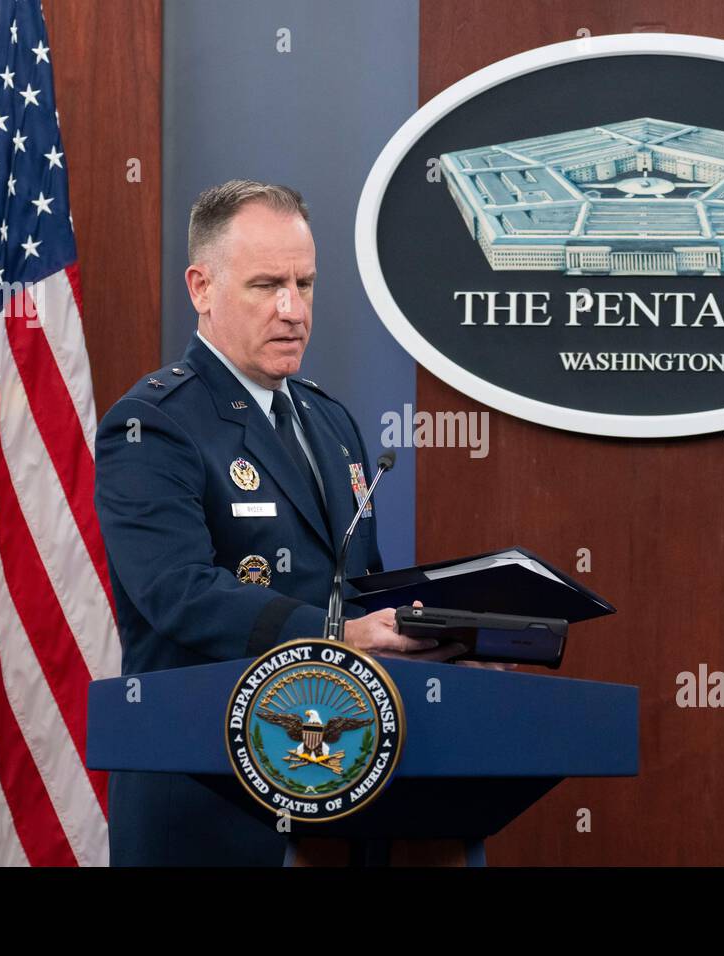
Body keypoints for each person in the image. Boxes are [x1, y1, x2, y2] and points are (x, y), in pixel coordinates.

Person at [93, 179, 457, 866]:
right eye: (266, 285)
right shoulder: (153, 424)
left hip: (342, 789)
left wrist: (444, 636)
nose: (293, 310)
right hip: (207, 799)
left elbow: (357, 586)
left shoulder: (331, 421)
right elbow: (178, 592)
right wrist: (335, 636)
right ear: (201, 287)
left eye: (306, 283)